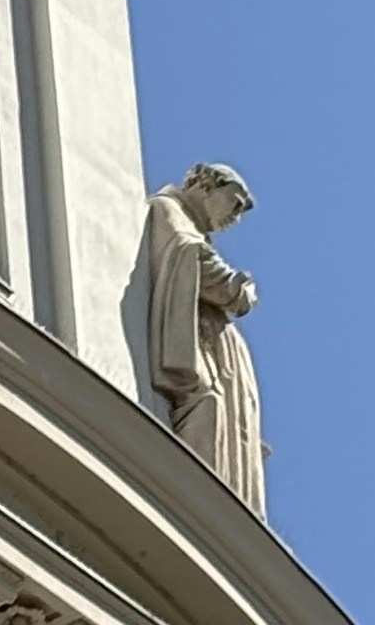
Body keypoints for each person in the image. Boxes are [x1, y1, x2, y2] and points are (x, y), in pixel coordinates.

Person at [134, 162, 266, 516]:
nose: (235, 218)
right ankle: (196, 514)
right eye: (234, 204)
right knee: (206, 405)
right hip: (198, 358)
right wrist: (241, 290)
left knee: (223, 421)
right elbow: (199, 263)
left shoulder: (192, 227)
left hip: (212, 350)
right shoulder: (169, 208)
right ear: (206, 184)